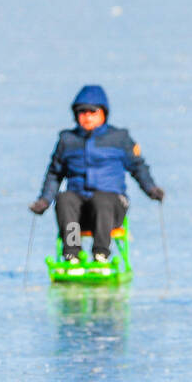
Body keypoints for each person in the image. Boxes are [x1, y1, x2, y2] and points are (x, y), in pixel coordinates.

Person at [29, 85, 165, 263]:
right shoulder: (67, 140)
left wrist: (151, 189)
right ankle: (72, 254)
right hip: (79, 210)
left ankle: (101, 253)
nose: (87, 117)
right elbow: (55, 174)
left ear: (103, 113)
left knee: (102, 199)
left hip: (111, 208)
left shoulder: (119, 138)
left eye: (92, 112)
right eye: (82, 112)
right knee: (65, 199)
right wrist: (44, 201)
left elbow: (138, 167)